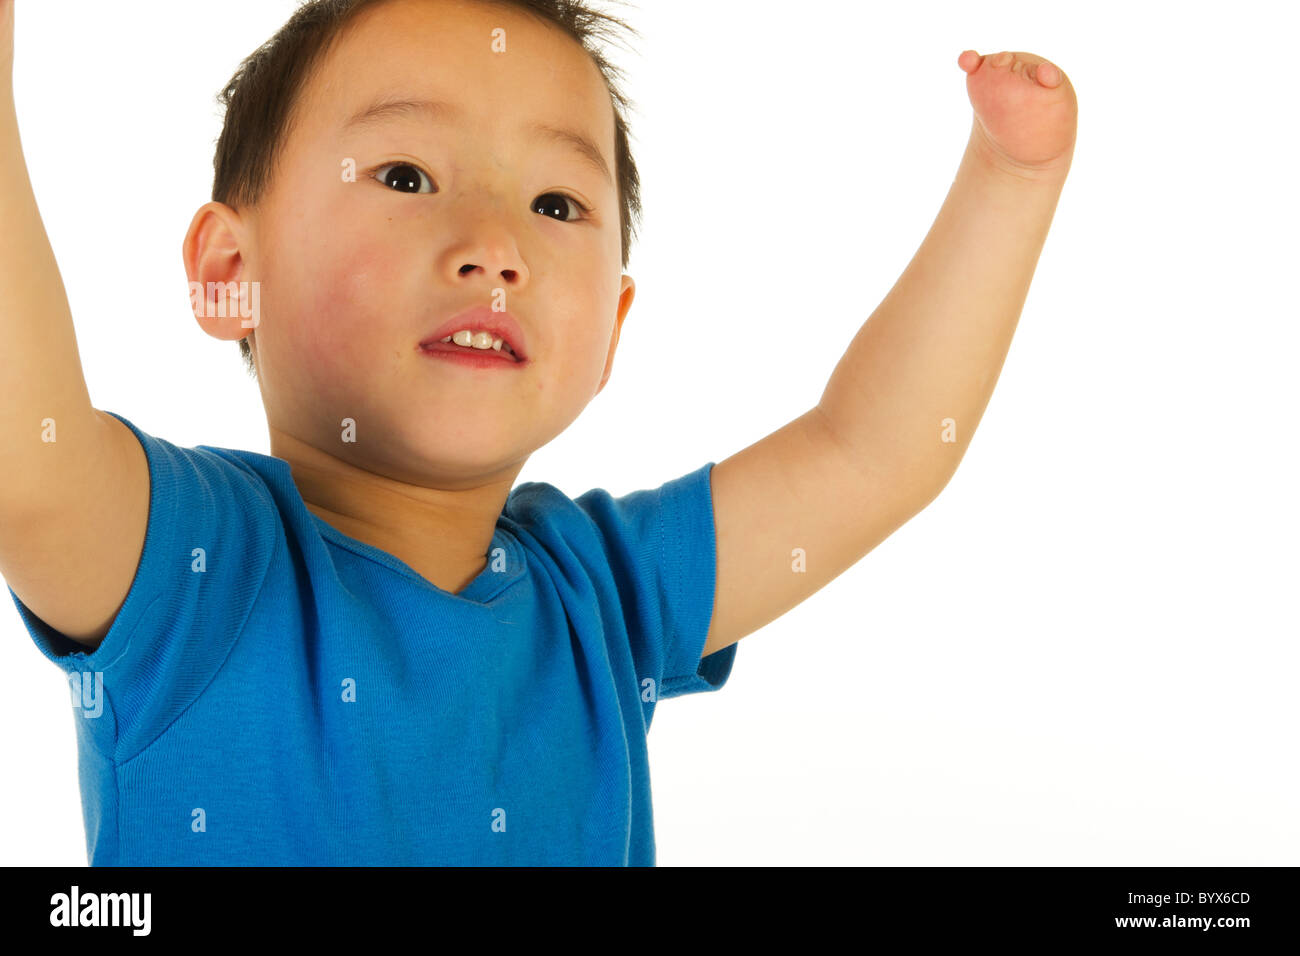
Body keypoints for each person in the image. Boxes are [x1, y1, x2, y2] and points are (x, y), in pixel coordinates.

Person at [0, 0, 1077, 865]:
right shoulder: (194, 570)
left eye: (557, 204)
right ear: (234, 277)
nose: (495, 246)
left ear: (609, 329)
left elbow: (872, 452)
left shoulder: (602, 593)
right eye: (407, 176)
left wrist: (1010, 176)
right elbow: (24, 459)